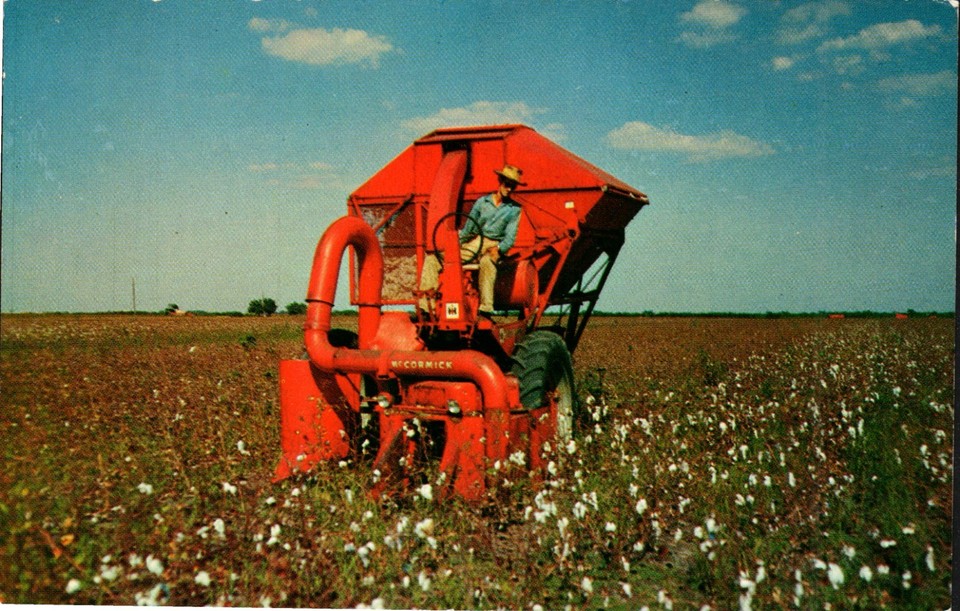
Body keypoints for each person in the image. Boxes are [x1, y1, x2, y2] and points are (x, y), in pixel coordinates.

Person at [418, 164, 525, 317]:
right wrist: (455, 247)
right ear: (500, 181)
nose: (509, 189)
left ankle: (486, 308)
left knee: (487, 262)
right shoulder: (482, 202)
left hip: (493, 244)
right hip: (475, 242)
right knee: (434, 258)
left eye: (513, 187)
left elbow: (510, 237)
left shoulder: (514, 209)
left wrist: (499, 249)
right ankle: (426, 307)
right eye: (507, 185)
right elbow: (469, 229)